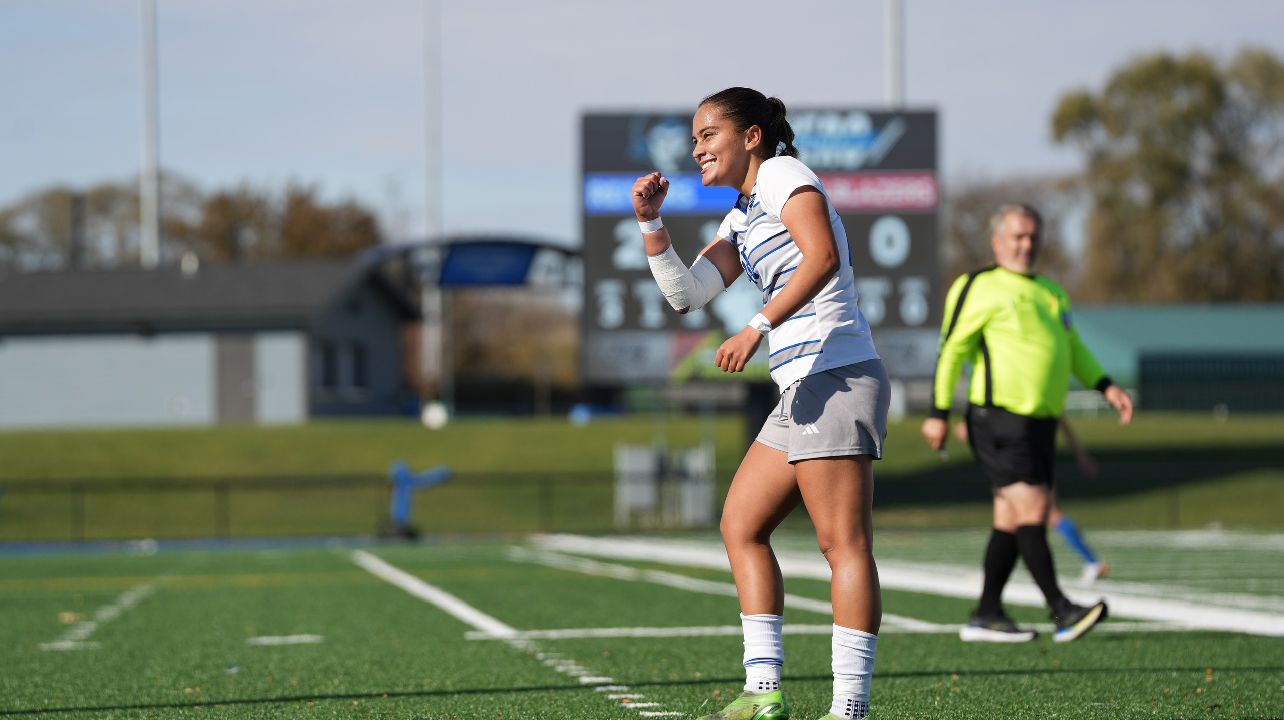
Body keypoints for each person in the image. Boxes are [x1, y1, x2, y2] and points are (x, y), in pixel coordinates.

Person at [634, 87, 889, 720]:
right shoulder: (743, 213)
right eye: (693, 138)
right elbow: (686, 295)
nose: (696, 148)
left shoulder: (782, 174)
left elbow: (822, 258)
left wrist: (756, 327)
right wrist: (651, 224)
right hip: (801, 385)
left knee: (843, 546)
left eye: (708, 133)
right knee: (741, 526)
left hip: (835, 373)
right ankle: (763, 689)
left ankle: (849, 707)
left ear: (751, 137)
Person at [921, 203, 1133, 643]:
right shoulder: (977, 285)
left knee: (1011, 519)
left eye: (1032, 236)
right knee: (1035, 509)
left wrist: (1107, 386)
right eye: (1017, 236)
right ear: (997, 241)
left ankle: (987, 613)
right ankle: (1061, 608)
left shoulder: (1052, 292)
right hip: (997, 419)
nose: (1026, 244)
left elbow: (1074, 350)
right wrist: (938, 413)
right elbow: (952, 350)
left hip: (1041, 425)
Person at [953, 417, 1109, 582]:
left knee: (1050, 515)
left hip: (1026, 462)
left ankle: (1091, 562)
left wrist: (975, 429)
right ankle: (992, 572)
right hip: (1018, 461)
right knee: (1006, 518)